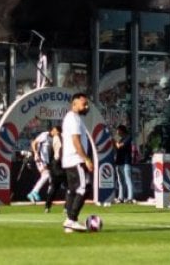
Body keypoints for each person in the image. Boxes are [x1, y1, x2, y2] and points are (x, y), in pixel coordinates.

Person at [61, 92, 95, 233]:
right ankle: (72, 219)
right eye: (84, 104)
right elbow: (76, 141)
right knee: (84, 187)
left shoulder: (72, 118)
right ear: (74, 104)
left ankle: (69, 222)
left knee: (73, 190)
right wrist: (86, 159)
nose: (86, 106)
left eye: (87, 104)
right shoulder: (73, 118)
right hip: (76, 160)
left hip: (69, 160)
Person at [113, 124, 135, 202]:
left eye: (118, 130)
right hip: (119, 162)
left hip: (126, 162)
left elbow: (119, 146)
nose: (117, 132)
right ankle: (121, 197)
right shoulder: (121, 139)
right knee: (120, 181)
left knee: (128, 180)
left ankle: (130, 198)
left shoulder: (128, 138)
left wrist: (114, 141)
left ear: (122, 130)